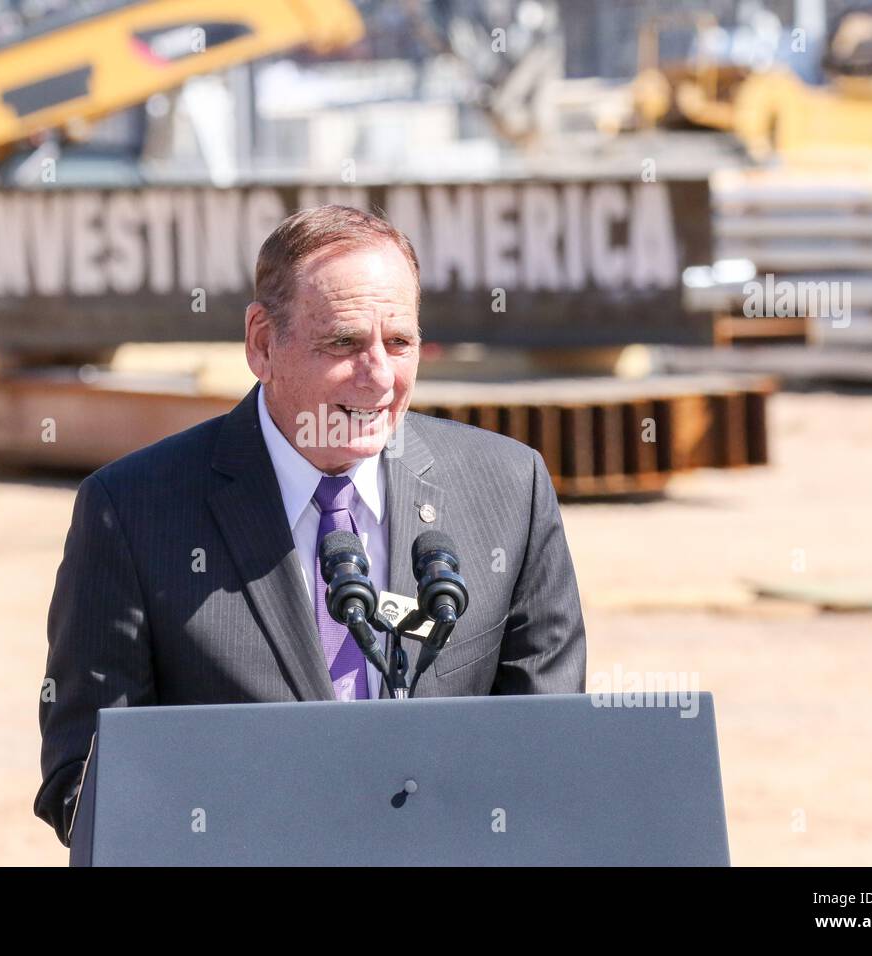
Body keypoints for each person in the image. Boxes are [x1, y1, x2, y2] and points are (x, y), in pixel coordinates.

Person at [35, 204, 587, 846]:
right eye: (344, 343)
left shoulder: (508, 489)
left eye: (400, 342)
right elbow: (83, 780)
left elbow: (550, 753)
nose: (379, 375)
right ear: (263, 344)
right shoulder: (132, 510)